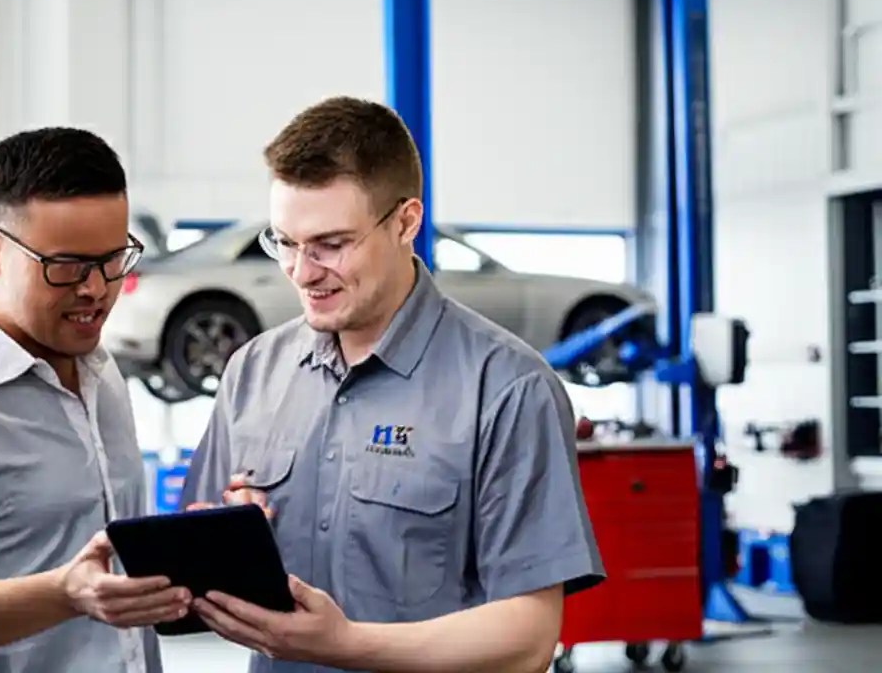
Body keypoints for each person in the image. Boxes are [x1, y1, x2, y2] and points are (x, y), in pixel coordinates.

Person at [178, 96, 605, 673]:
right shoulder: (252, 371)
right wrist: (227, 541)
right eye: (284, 242)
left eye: (331, 244)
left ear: (406, 221)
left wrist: (345, 645)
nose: (302, 272)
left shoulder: (507, 387)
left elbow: (528, 637)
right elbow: (198, 561)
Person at [0, 127, 189, 673]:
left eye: (114, 260)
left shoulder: (104, 372)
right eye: (65, 266)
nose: (95, 289)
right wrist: (63, 594)